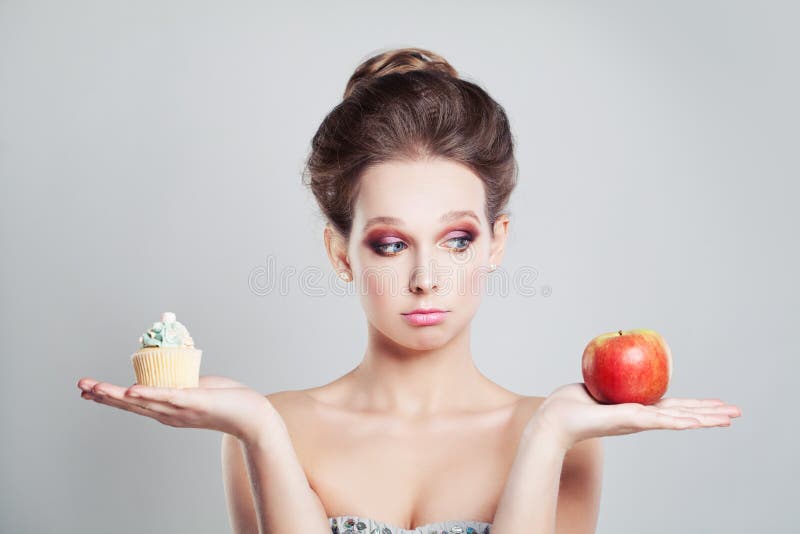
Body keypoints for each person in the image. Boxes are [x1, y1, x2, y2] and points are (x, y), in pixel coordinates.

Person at [77, 47, 742, 534]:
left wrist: (546, 438)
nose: (426, 277)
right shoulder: (274, 430)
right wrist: (259, 431)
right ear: (340, 253)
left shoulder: (566, 438)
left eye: (456, 239)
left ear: (496, 242)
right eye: (391, 244)